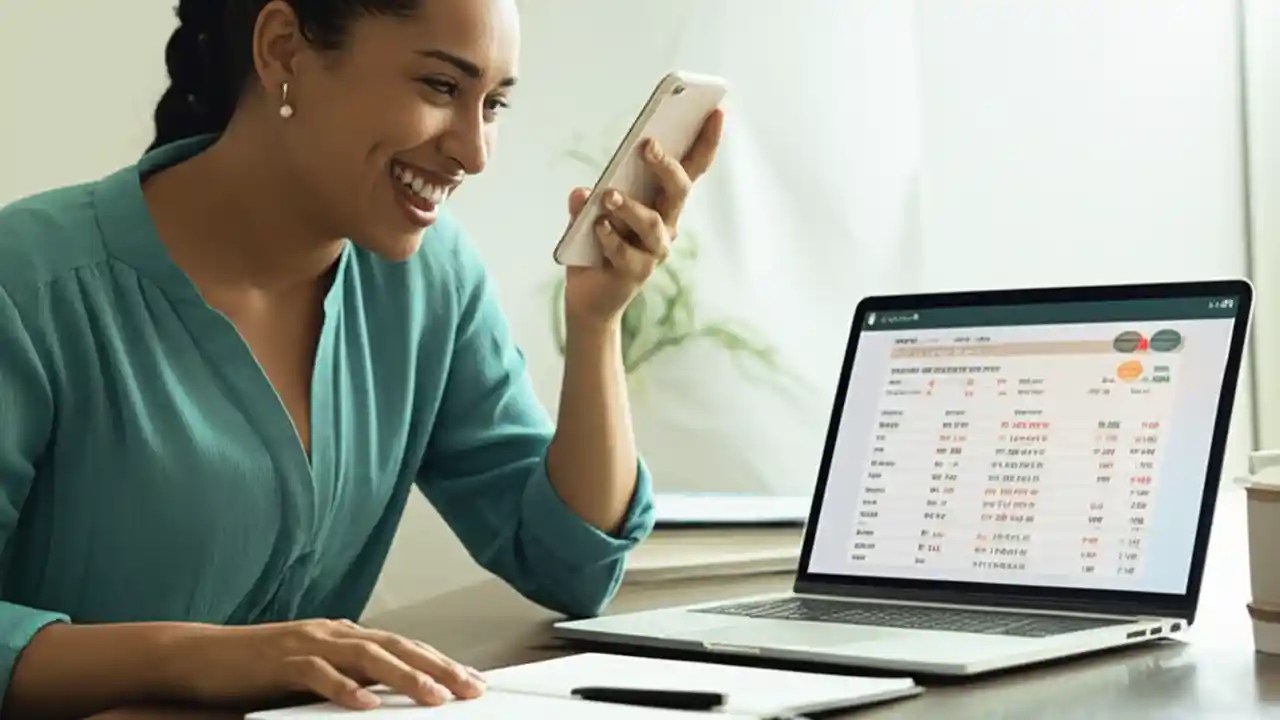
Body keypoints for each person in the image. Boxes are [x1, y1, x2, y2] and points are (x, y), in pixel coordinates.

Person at [0, 0, 724, 716]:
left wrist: (597, 321)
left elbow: (570, 564)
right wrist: (202, 660)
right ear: (284, 50)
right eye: (441, 87)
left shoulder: (426, 281)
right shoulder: (31, 285)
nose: (473, 152)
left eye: (494, 104)